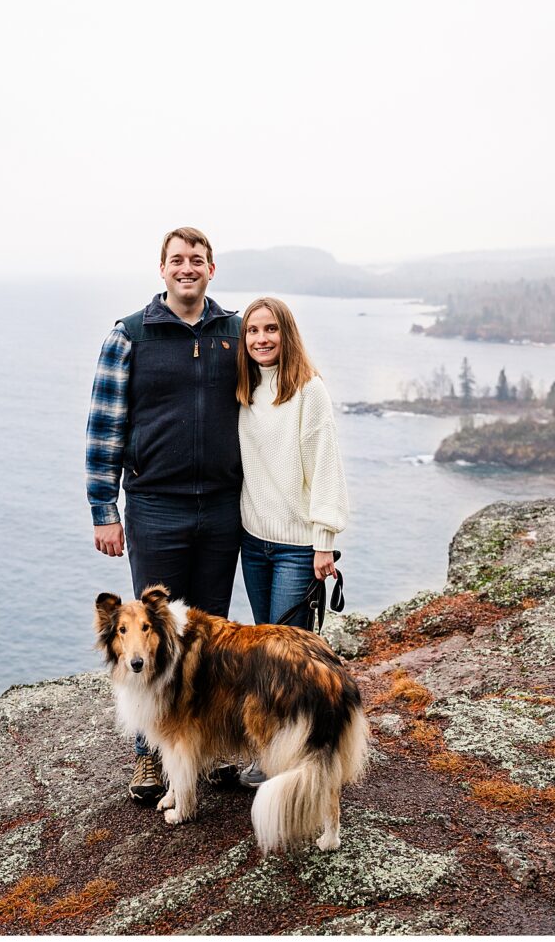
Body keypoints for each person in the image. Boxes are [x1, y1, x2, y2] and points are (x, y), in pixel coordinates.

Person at [85, 226, 244, 803]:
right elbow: (104, 426)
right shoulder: (129, 336)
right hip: (154, 507)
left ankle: (210, 747)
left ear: (211, 268)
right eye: (177, 260)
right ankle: (150, 757)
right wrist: (105, 509)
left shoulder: (234, 331)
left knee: (211, 634)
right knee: (150, 635)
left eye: (196, 260)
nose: (187, 268)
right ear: (162, 269)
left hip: (224, 508)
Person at [231, 296, 349, 788]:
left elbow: (325, 467)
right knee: (268, 657)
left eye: (270, 330)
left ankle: (302, 757)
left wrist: (324, 542)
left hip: (297, 547)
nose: (261, 339)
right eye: (253, 331)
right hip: (252, 541)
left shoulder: (308, 390)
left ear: (287, 334)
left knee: (290, 660)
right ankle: (282, 749)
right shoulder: (244, 391)